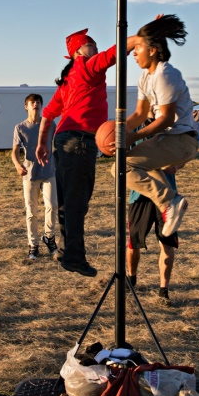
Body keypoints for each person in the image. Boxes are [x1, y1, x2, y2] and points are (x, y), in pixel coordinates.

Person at [36, 28, 137, 277]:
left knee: (69, 202)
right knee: (77, 202)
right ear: (79, 51)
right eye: (90, 43)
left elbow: (47, 115)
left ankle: (66, 250)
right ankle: (73, 256)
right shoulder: (88, 67)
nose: (95, 46)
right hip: (79, 143)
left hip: (65, 142)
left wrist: (41, 144)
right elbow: (115, 53)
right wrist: (142, 37)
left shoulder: (69, 81)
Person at [119, 14, 199, 238]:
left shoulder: (166, 74)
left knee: (122, 168)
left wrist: (133, 138)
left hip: (182, 140)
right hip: (169, 139)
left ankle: (170, 202)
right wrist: (119, 130)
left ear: (152, 50)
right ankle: (170, 202)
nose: (134, 53)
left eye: (138, 47)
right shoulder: (145, 77)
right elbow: (139, 114)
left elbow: (165, 118)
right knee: (136, 163)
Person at [11, 93, 59, 262]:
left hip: (49, 171)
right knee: (31, 212)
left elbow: (58, 142)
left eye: (38, 102)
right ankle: (33, 245)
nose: (35, 104)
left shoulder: (50, 124)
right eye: (32, 102)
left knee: (52, 206)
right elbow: (14, 151)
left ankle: (50, 238)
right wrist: (18, 165)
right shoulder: (20, 127)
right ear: (26, 106)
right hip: (30, 174)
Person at [126, 165, 180, 306]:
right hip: (140, 196)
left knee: (167, 244)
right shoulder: (134, 141)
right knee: (133, 243)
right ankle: (131, 278)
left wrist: (177, 166)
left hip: (166, 196)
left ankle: (164, 290)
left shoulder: (169, 141)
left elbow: (183, 157)